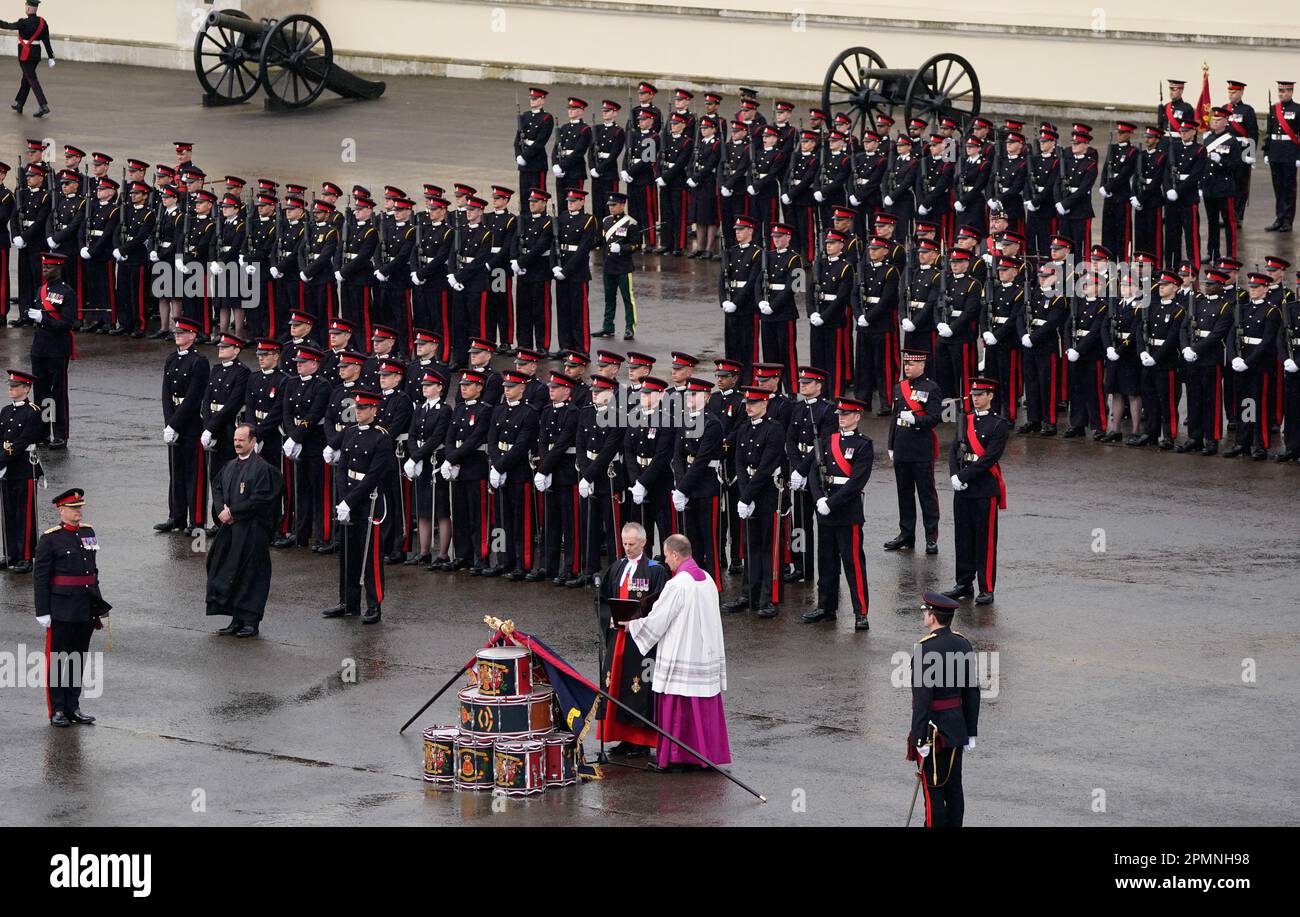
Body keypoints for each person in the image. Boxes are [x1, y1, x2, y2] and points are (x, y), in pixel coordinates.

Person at [626, 533, 730, 772]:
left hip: (682, 652)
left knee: (679, 707)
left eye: (667, 556)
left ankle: (675, 758)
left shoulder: (678, 584)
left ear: (675, 554)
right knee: (701, 710)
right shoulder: (707, 578)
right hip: (704, 654)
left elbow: (658, 621)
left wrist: (634, 625)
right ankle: (703, 756)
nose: (666, 562)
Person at [34, 488, 111, 727]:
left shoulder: (88, 532)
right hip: (61, 607)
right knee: (58, 659)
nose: (79, 511)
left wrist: (97, 603)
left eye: (80, 507)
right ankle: (57, 709)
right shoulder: (50, 538)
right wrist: (43, 611)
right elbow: (41, 577)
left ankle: (73, 706)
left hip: (85, 606)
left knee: (78, 658)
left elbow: (92, 571)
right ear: (61, 510)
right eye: (74, 508)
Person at [907, 591, 980, 828]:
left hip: (933, 731)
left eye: (926, 612)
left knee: (934, 791)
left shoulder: (925, 649)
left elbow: (922, 699)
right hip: (957, 726)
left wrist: (918, 737)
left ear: (932, 616)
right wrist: (971, 731)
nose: (924, 616)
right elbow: (971, 691)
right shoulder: (962, 643)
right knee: (954, 788)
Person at [596, 522, 669, 758]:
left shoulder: (656, 570)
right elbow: (603, 599)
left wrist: (638, 623)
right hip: (618, 638)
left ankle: (640, 741)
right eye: (625, 543)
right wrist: (608, 619)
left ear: (644, 542)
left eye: (632, 544)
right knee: (616, 685)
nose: (627, 548)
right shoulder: (617, 567)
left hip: (641, 640)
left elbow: (659, 605)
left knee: (638, 688)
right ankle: (624, 738)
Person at [321, 390, 394, 624]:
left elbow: (374, 475)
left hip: (369, 501)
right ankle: (348, 602)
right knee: (348, 552)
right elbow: (341, 468)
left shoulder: (381, 437)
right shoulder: (350, 432)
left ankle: (374, 604)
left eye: (363, 409)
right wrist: (343, 499)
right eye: (357, 408)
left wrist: (350, 500)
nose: (358, 412)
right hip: (348, 499)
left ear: (374, 411)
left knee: (370, 556)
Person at [206, 423, 282, 637]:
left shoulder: (263, 469)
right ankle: (235, 618)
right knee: (228, 570)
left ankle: (250, 620)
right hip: (231, 530)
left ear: (253, 441)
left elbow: (261, 498)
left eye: (242, 440)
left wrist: (234, 512)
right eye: (235, 440)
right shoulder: (229, 465)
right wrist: (221, 510)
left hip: (252, 531)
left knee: (251, 575)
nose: (237, 444)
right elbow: (217, 486)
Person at [805, 396, 873, 630]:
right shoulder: (827, 440)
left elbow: (856, 482)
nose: (841, 418)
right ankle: (826, 607)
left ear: (857, 416)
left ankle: (860, 612)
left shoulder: (864, 445)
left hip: (847, 512)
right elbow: (813, 472)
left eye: (846, 415)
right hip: (825, 509)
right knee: (826, 562)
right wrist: (819, 498)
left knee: (853, 564)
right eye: (840, 415)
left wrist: (831, 503)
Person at [944, 378, 1008, 605]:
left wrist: (963, 476)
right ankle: (963, 583)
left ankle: (986, 587)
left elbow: (989, 458)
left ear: (990, 396)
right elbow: (954, 450)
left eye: (980, 394)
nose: (976, 398)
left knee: (985, 540)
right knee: (963, 537)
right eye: (973, 395)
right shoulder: (966, 420)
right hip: (963, 488)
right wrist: (953, 474)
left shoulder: (999, 424)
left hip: (983, 488)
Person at [885, 352, 941, 554]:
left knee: (927, 495)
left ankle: (931, 537)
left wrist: (916, 420)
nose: (907, 367)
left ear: (922, 365)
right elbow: (894, 419)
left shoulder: (931, 388)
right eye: (905, 364)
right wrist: (891, 445)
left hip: (920, 449)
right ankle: (906, 534)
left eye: (911, 364)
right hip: (902, 447)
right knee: (904, 494)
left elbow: (935, 419)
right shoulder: (899, 387)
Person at [0, 368, 43, 572]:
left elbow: (23, 441)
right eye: (10, 385)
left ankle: (26, 556)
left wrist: (1, 459)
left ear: (26, 388)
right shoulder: (5, 411)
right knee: (8, 511)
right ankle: (11, 553)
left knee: (25, 513)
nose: (11, 389)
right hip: (7, 469)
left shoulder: (33, 412)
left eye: (15, 386)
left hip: (24, 467)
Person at [2, 1, 54, 118]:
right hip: (36, 55)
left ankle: (43, 105)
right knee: (26, 78)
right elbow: (46, 40)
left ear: (29, 9)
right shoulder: (42, 22)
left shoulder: (23, 23)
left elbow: (8, 26)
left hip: (25, 56)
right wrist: (51, 56)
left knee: (31, 79)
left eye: (26, 6)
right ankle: (20, 103)